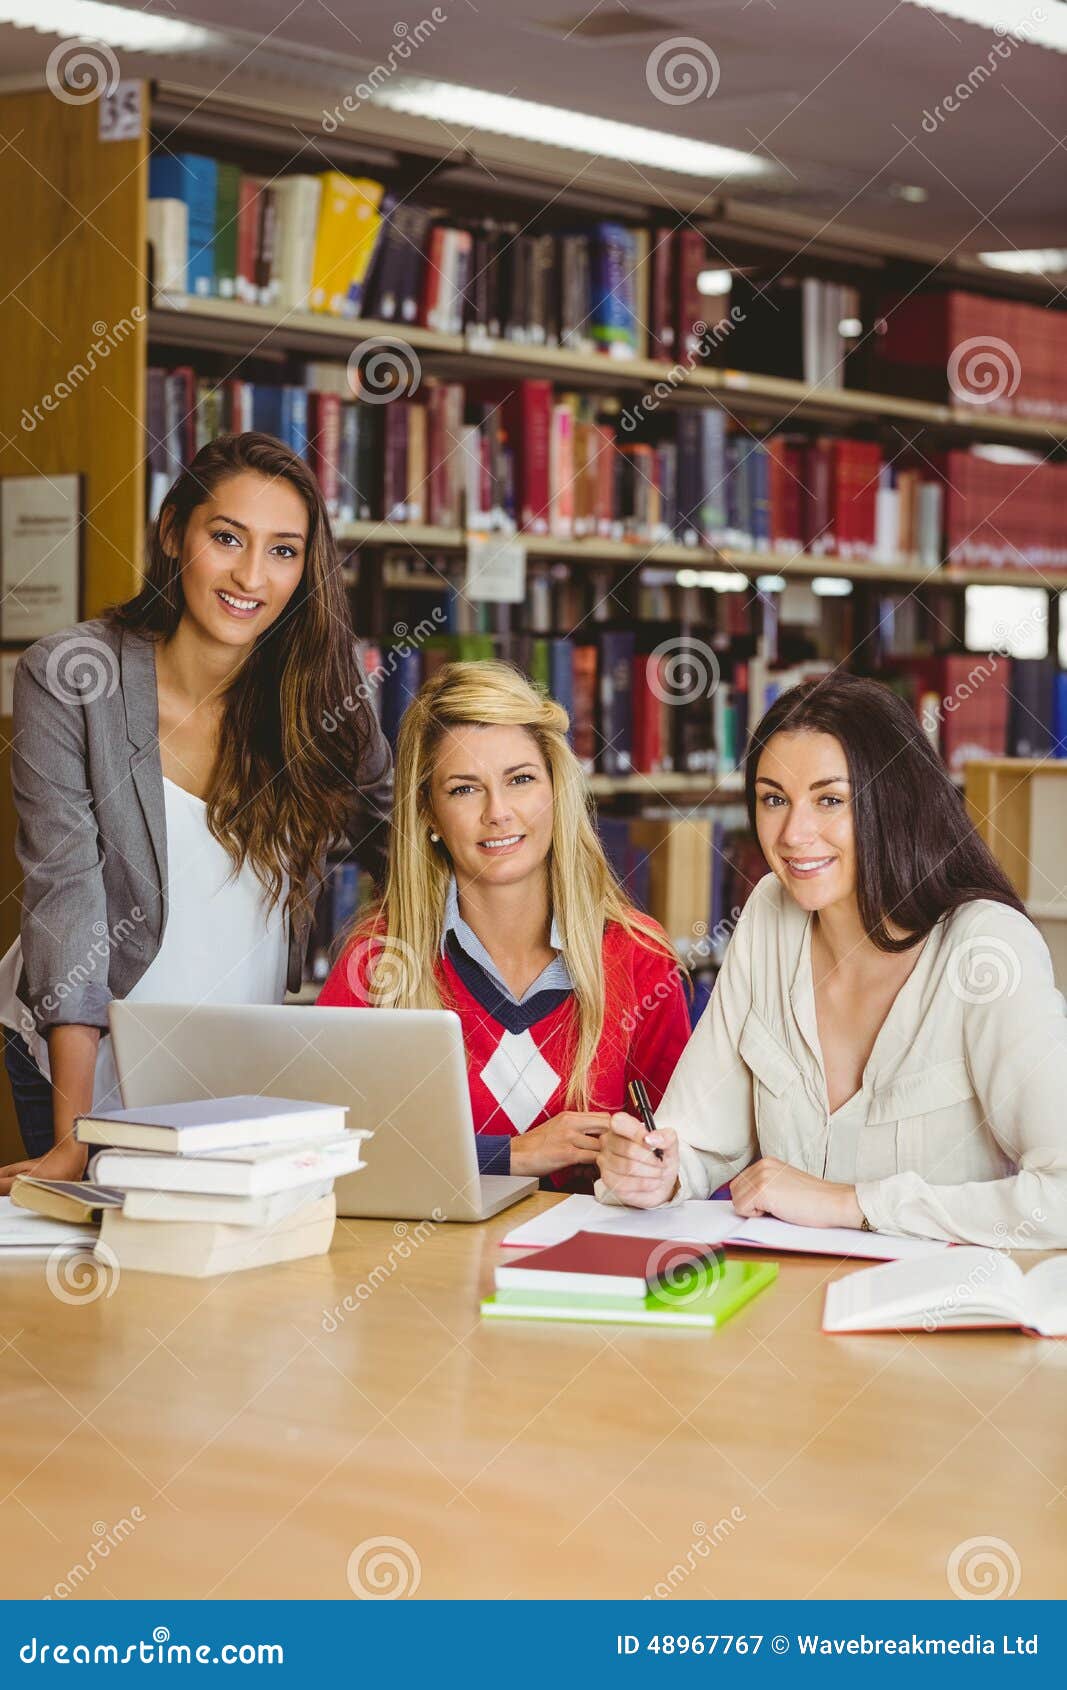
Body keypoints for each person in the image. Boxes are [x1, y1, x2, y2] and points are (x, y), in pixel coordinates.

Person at [0, 431, 391, 1190]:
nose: (251, 576)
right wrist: (75, 1137)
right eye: (226, 538)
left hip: (238, 1055)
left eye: (283, 551)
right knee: (103, 1274)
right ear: (174, 531)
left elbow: (406, 839)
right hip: (79, 1053)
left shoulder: (319, 700)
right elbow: (66, 899)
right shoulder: (74, 678)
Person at [598, 673, 1067, 1247]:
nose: (794, 834)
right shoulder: (770, 913)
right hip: (783, 1309)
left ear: (893, 802)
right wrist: (656, 1171)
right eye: (774, 799)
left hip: (937, 1320)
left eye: (829, 800)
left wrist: (851, 1203)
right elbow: (697, 1141)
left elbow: (1060, 1195)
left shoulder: (986, 946)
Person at [318, 660, 691, 1189]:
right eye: (465, 789)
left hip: (580, 1266)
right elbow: (323, 1145)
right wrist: (510, 1154)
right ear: (428, 814)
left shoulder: (639, 956)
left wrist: (657, 1176)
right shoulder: (378, 958)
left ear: (555, 791)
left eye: (520, 780)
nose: (499, 812)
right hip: (428, 1265)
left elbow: (690, 1160)